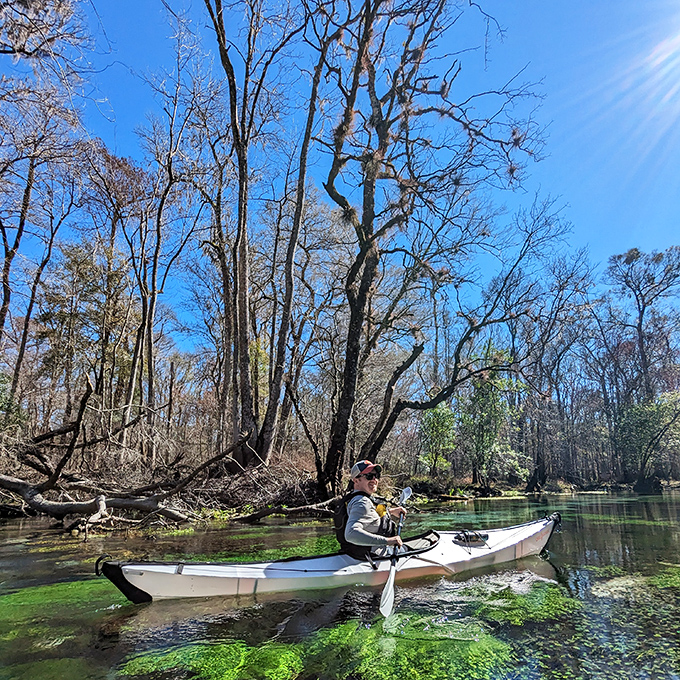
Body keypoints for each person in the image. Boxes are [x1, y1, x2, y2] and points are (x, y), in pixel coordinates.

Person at [335, 459, 407, 560]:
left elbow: (369, 516)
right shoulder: (361, 502)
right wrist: (387, 541)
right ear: (356, 480)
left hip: (356, 554)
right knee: (408, 550)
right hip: (372, 557)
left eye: (376, 476)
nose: (374, 479)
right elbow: (351, 534)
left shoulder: (357, 498)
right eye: (369, 476)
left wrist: (390, 512)